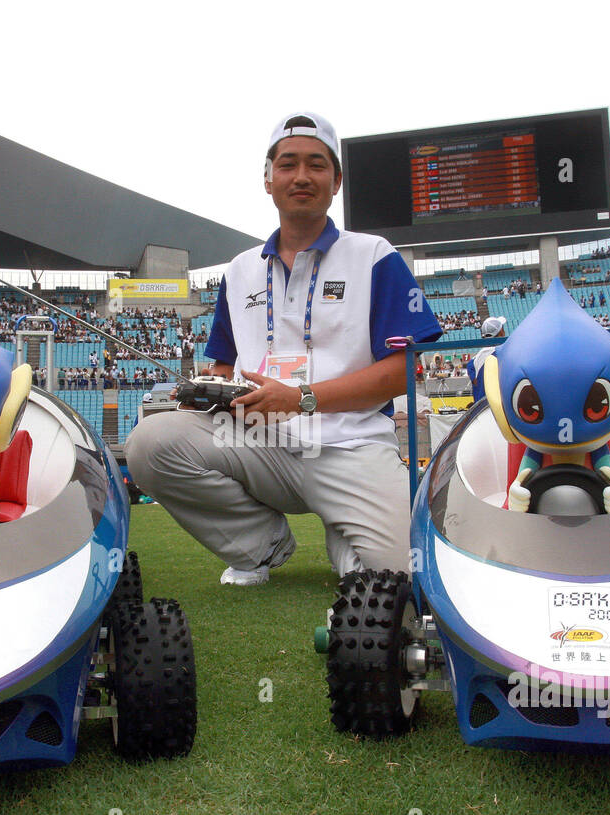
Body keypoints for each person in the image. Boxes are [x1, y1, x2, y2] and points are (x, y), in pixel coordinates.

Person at [125, 111, 442, 585]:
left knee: (403, 576)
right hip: (256, 441)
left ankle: (347, 535)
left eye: (316, 165)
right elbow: (224, 363)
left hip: (349, 443)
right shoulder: (239, 269)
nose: (301, 176)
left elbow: (402, 372)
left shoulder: (374, 255)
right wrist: (213, 393)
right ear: (268, 179)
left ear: (336, 181)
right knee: (150, 443)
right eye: (288, 163)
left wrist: (300, 398)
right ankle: (261, 546)